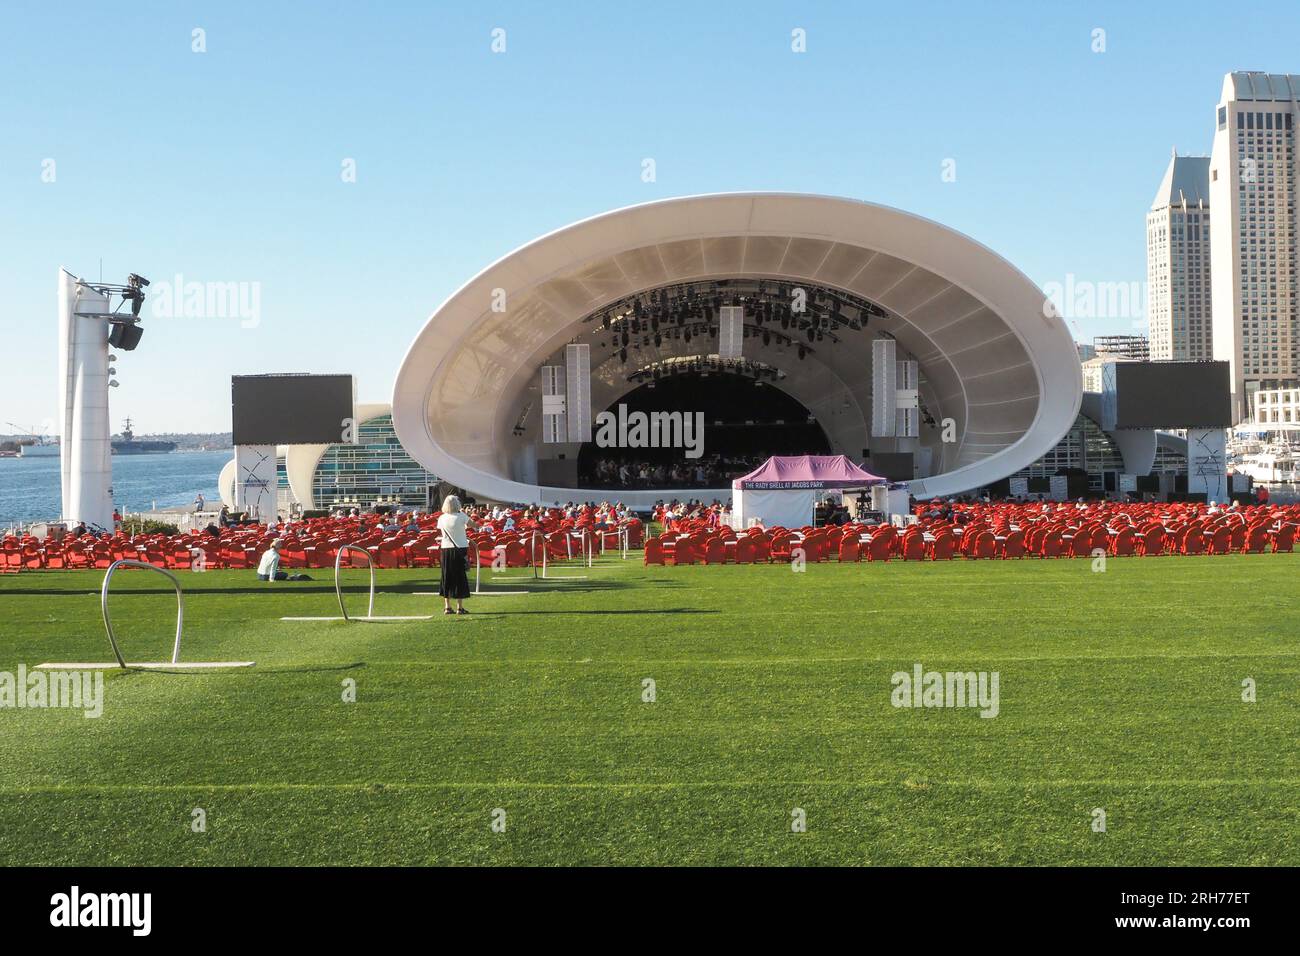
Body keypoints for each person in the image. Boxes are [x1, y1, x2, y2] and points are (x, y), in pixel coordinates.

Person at [437, 495, 477, 615]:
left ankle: (447, 606)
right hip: (460, 548)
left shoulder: (441, 518)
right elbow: (473, 525)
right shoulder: (461, 516)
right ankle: (460, 607)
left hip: (446, 549)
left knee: (446, 576)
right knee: (460, 577)